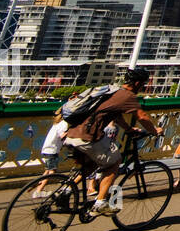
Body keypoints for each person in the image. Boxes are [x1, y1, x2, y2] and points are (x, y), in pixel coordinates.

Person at [62, 68, 163, 216]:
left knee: (93, 164)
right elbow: (142, 117)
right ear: (136, 83)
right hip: (89, 136)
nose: (142, 87)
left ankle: (65, 191)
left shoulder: (113, 92)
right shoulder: (128, 96)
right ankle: (100, 202)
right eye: (142, 84)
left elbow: (115, 116)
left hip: (72, 133)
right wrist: (154, 130)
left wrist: (128, 129)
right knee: (114, 162)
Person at [32, 109, 69, 198]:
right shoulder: (64, 124)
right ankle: (39, 190)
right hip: (52, 150)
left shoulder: (56, 124)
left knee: (47, 170)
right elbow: (62, 136)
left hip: (47, 149)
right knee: (52, 172)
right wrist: (71, 131)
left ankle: (38, 187)